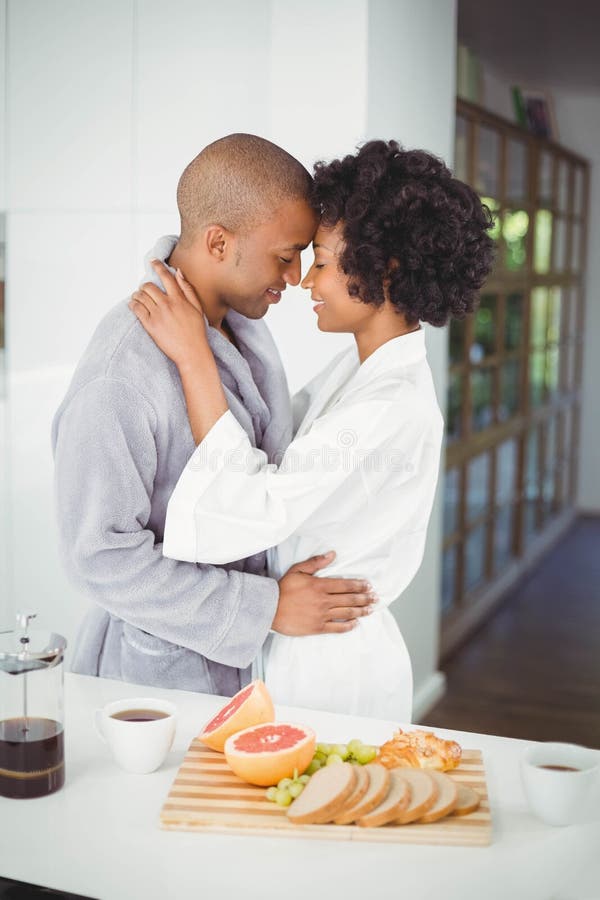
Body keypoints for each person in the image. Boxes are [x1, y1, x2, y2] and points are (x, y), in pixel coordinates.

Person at [129, 139, 495, 719]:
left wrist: (195, 357)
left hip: (332, 670)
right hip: (305, 648)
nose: (305, 281)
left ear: (385, 271)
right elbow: (271, 438)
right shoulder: (363, 368)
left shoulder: (389, 404)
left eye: (321, 261)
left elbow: (251, 503)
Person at [51, 134, 377, 697]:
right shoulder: (120, 375)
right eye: (284, 254)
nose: (296, 275)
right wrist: (265, 608)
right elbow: (97, 557)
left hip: (250, 672)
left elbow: (256, 480)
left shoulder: (241, 329)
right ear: (220, 242)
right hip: (155, 684)